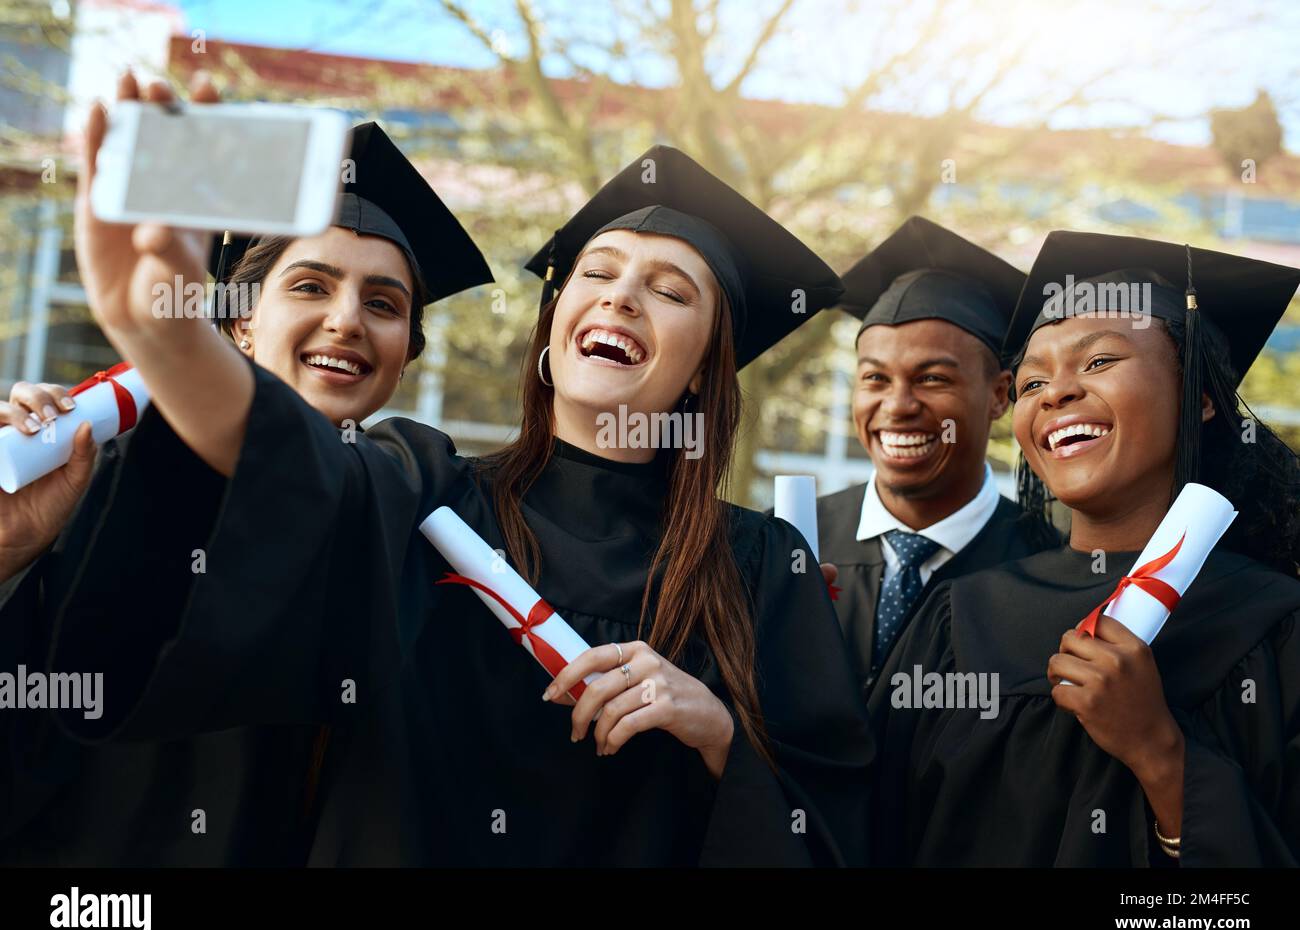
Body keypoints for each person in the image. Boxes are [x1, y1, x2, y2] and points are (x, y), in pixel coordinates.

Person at [43, 77, 873, 866]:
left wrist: (720, 735)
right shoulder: (425, 488)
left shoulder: (764, 568)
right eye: (598, 271)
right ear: (556, 323)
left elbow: (836, 828)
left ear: (702, 367)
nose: (621, 297)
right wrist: (175, 341)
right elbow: (284, 476)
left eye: (669, 290)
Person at [0, 72, 493, 865]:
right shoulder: (93, 475)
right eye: (310, 284)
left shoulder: (421, 487)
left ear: (406, 355)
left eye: (384, 303)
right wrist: (10, 555)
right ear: (240, 323)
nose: (346, 319)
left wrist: (175, 351)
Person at [868, 229, 1300, 866]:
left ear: (1201, 398)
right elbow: (861, 833)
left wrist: (1159, 751)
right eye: (1032, 381)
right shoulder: (960, 617)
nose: (1056, 393)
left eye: (1099, 362)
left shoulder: (1274, 625)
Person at [817, 216, 1056, 696]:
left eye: (932, 378)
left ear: (999, 396)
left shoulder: (1052, 572)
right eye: (875, 379)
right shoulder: (787, 543)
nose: (898, 407)